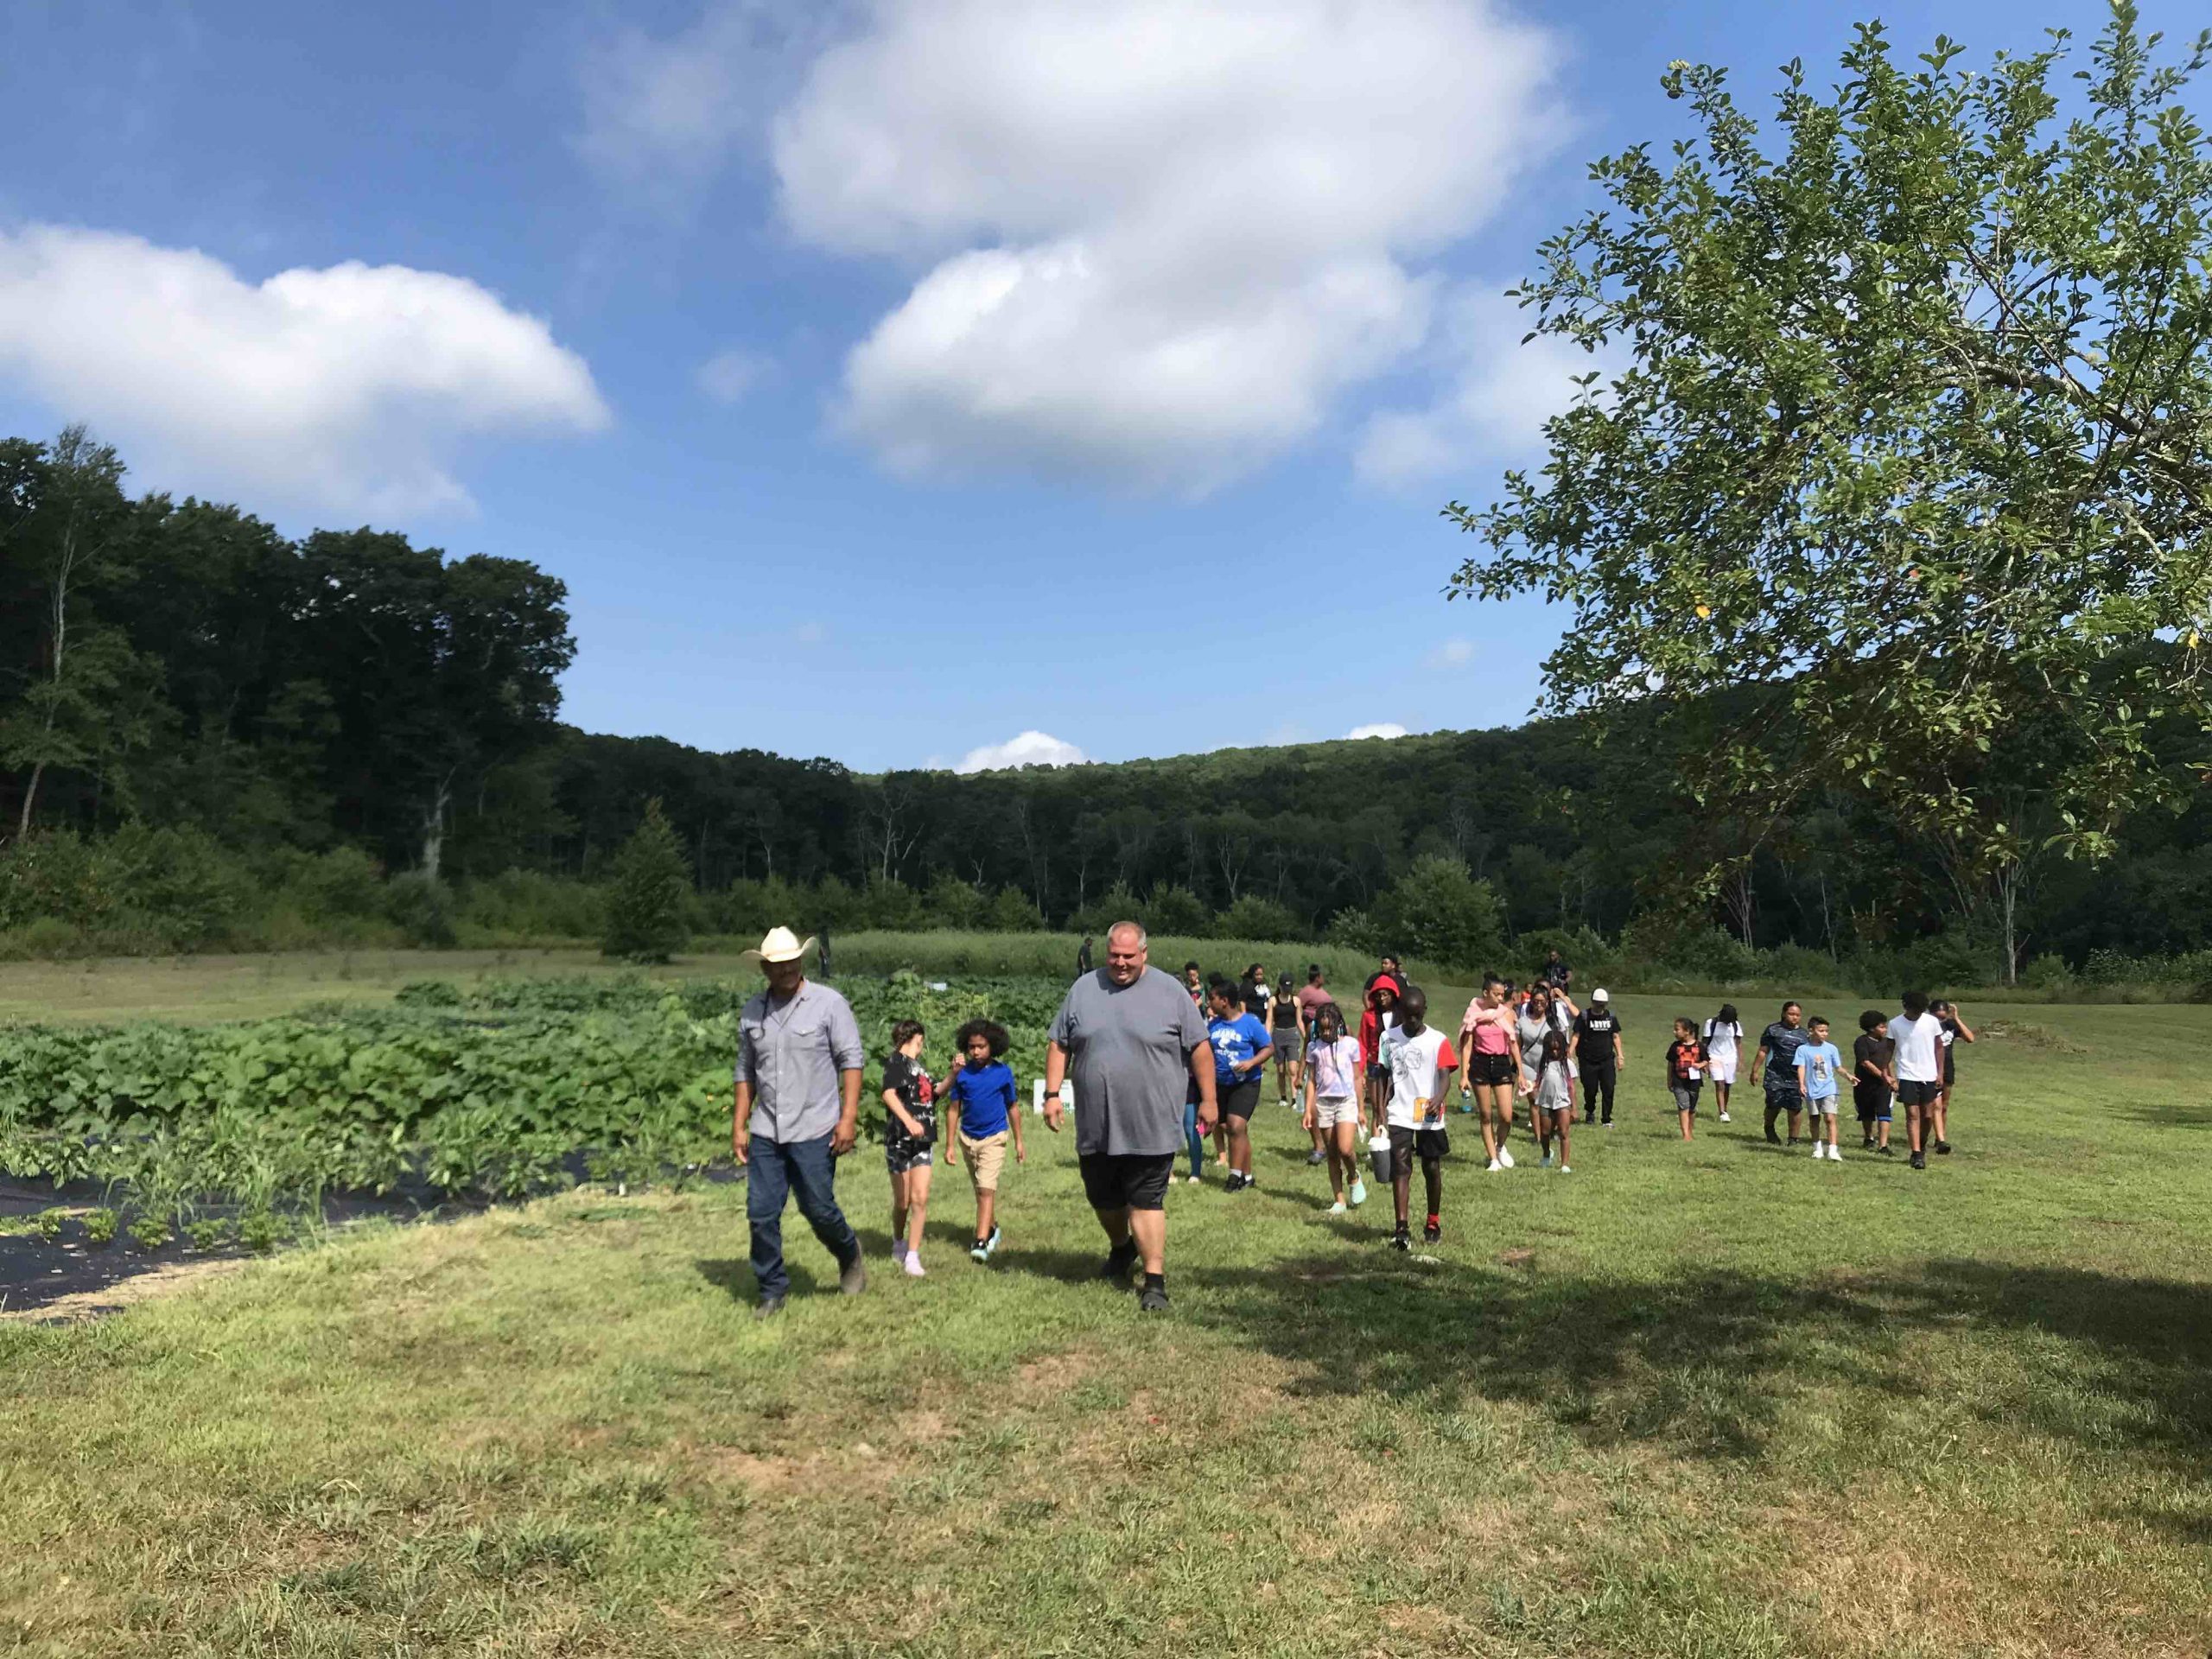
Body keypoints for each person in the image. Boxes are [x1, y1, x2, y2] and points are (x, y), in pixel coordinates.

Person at [1043, 922, 1217, 1312]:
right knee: (1102, 1196)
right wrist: (1052, 1094)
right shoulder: (1084, 989)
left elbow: (1200, 1049)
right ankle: (1122, 1249)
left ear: (1144, 954)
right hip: (1097, 1121)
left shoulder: (1171, 992)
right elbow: (1059, 1043)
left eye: (1128, 957)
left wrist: (1209, 1100)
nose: (1120, 964)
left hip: (1151, 1120)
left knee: (1146, 1199)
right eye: (1114, 956)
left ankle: (1155, 1281)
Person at [731, 926, 867, 1318]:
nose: (785, 970)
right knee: (761, 1213)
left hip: (815, 1126)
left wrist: (848, 1118)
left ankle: (848, 1252)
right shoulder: (753, 1011)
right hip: (766, 1129)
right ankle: (772, 1290)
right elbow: (746, 1071)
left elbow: (851, 1061)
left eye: (791, 962)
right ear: (765, 970)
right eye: (776, 965)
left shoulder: (829, 1004)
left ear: (801, 962)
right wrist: (739, 1125)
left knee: (818, 1208)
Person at [1379, 985, 1458, 1249]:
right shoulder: (1388, 1038)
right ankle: (1401, 1228)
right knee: (1401, 1168)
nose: (1412, 1020)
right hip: (1399, 1112)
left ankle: (1433, 1221)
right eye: (1408, 1015)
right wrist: (1379, 1111)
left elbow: (1446, 1074)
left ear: (1425, 1011)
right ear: (1400, 1011)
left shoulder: (1438, 1040)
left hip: (1429, 1114)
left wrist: (1440, 1097)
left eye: (1417, 1015)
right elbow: (1381, 1076)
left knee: (1431, 1167)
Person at [946, 1018, 1024, 1262]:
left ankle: (981, 1240)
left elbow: (1012, 1107)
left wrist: (1019, 1141)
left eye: (981, 1046)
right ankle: (993, 1227)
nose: (976, 1051)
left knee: (985, 1189)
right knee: (980, 1190)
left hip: (995, 1137)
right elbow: (953, 1109)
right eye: (971, 1047)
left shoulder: (1003, 1073)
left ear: (993, 1046)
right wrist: (949, 1145)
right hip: (968, 1138)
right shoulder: (963, 1075)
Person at [1207, 976, 1274, 1192]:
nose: (1210, 1003)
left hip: (1246, 1083)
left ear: (1224, 1001)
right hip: (1222, 1083)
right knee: (1232, 1129)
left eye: (1212, 999)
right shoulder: (1213, 1024)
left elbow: (1268, 1048)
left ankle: (1234, 1177)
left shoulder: (1250, 1023)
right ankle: (1248, 1175)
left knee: (1236, 1126)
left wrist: (1251, 1062)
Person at [880, 1020, 937, 1277]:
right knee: (902, 1202)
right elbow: (889, 1095)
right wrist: (909, 1122)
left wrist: (954, 1075)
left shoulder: (919, 1069)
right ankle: (898, 1241)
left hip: (923, 1141)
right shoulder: (896, 1062)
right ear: (916, 1037)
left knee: (920, 1198)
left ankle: (913, 1256)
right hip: (900, 1140)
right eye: (921, 1040)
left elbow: (934, 1094)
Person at [1302, 1001, 1368, 1215]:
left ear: (1339, 1024)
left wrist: (1361, 1109)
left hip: (1346, 1101)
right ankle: (1339, 1200)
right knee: (1331, 1153)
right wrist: (1307, 1109)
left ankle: (1353, 1176)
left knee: (1345, 1149)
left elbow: (1357, 1077)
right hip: (1324, 1103)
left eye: (1330, 1028)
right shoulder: (1314, 1048)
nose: (1326, 1033)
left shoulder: (1350, 1044)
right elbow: (1311, 1080)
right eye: (1322, 1029)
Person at [1457, 975, 1519, 1172]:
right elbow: (1467, 1046)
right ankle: (1492, 1159)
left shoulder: (1506, 1014)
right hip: (1480, 1064)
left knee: (1506, 1116)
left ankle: (1500, 1146)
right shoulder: (1473, 1014)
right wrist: (1464, 1075)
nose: (1501, 998)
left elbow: (1513, 1043)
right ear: (1485, 993)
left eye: (1502, 995)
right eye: (1496, 994)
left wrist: (1521, 1071)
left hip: (1501, 1062)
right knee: (1485, 1115)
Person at [1516, 983, 1574, 1173]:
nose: (1539, 1004)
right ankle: (1544, 1148)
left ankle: (1564, 1164)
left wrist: (1574, 1106)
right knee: (1543, 1123)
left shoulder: (1553, 1022)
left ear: (1548, 1003)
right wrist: (1523, 1079)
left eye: (1543, 1001)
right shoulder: (1523, 1021)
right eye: (1536, 1001)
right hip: (1531, 1069)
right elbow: (1517, 1045)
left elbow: (1571, 1085)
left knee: (1563, 1130)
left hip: (1561, 1094)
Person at [1887, 989, 1945, 1170]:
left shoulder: (1932, 1022)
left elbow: (1939, 1048)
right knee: (1912, 1114)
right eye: (1914, 1011)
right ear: (1906, 1006)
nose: (1917, 1014)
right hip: (1906, 1074)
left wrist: (1940, 1072)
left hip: (1928, 1074)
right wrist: (1888, 1073)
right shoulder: (1895, 1024)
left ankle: (1921, 1143)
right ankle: (1916, 1153)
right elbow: (1889, 1050)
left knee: (1927, 1115)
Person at [1751, 1001, 1809, 1146]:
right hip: (1775, 1074)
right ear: (1784, 1013)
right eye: (1791, 1014)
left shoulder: (1804, 1034)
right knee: (1773, 1104)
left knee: (1795, 1107)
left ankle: (1793, 1139)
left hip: (1795, 1076)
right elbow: (1763, 1050)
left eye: (1797, 1015)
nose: (1794, 1017)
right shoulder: (1773, 1030)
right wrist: (1755, 1070)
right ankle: (1769, 1128)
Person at [1795, 1016, 1846, 1161]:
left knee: (1830, 1118)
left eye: (1826, 1031)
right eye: (1821, 1031)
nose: (1824, 1034)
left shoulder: (1831, 1048)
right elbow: (1801, 1067)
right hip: (1812, 1089)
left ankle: (1833, 1149)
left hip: (1829, 1088)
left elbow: (1838, 1067)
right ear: (1811, 1031)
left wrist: (1848, 1076)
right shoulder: (1803, 1049)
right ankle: (1817, 1147)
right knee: (1814, 1118)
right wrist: (1802, 1084)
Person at [1573, 988, 1626, 1127]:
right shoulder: (1584, 1016)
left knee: (1609, 1088)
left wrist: (1620, 1056)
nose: (1601, 1007)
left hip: (1606, 1060)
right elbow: (1576, 1035)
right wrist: (1570, 1053)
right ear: (1593, 1002)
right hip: (1588, 1060)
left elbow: (1615, 1036)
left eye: (1603, 1004)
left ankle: (1606, 1119)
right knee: (1590, 1090)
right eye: (1598, 1003)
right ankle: (1590, 1110)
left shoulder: (1611, 1017)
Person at [1930, 1000, 1977, 1153]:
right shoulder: (1926, 1026)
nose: (1940, 1020)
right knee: (1928, 1106)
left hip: (1947, 1067)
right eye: (1937, 1016)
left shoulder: (1950, 1025)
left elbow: (1970, 1038)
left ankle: (1940, 1138)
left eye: (1943, 1017)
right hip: (1928, 1067)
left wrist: (1956, 1018)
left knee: (1943, 1105)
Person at [1358, 980, 1401, 1139]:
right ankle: (1377, 1144)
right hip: (1375, 1065)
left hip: (1398, 1066)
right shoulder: (1368, 1016)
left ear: (1393, 995)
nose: (1382, 998)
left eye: (1386, 995)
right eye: (1379, 995)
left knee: (1397, 1106)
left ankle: (1398, 1142)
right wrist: (1360, 1070)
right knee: (1378, 1108)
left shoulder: (1401, 1015)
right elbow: (1362, 1043)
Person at [1853, 1009, 1896, 1155]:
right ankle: (1868, 1137)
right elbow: (1865, 1062)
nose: (1885, 1030)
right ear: (1872, 1028)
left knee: (1884, 1112)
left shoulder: (1887, 1043)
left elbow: (1888, 1062)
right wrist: (1883, 1076)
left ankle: (1883, 1145)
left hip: (1883, 1086)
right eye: (1882, 1027)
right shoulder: (1862, 1042)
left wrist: (1892, 1078)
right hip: (1865, 1084)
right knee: (1867, 1112)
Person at [1701, 1004, 1743, 1122]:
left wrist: (1741, 1061)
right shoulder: (1711, 1023)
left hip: (1730, 1057)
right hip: (1714, 1056)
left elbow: (1738, 1043)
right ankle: (1722, 1112)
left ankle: (1725, 1108)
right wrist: (1704, 1061)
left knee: (1727, 1085)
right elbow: (1704, 1042)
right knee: (1720, 1083)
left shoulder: (1735, 1025)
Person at [1665, 1018, 1705, 1140]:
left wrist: (1700, 1065)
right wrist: (1669, 1080)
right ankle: (1685, 1135)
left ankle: (1690, 1131)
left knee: (1692, 1109)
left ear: (1687, 1031)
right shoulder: (1675, 1046)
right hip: (1679, 1082)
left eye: (1677, 1029)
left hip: (1694, 1082)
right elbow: (1671, 1064)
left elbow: (1706, 1060)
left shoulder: (1699, 1046)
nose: (1674, 1032)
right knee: (1683, 1107)